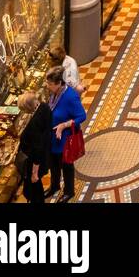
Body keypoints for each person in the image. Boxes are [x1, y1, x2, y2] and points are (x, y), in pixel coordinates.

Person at [45, 66, 86, 202]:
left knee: (66, 166)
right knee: (53, 164)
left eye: (50, 84)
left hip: (65, 139)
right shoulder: (54, 93)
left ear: (59, 83)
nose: (47, 86)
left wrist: (63, 125)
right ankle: (54, 186)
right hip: (53, 137)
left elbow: (82, 116)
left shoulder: (71, 97)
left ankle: (69, 191)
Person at [16, 92, 53, 204]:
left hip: (34, 162)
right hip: (42, 155)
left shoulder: (36, 122)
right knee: (34, 188)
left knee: (34, 188)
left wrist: (34, 172)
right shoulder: (44, 107)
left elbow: (37, 148)